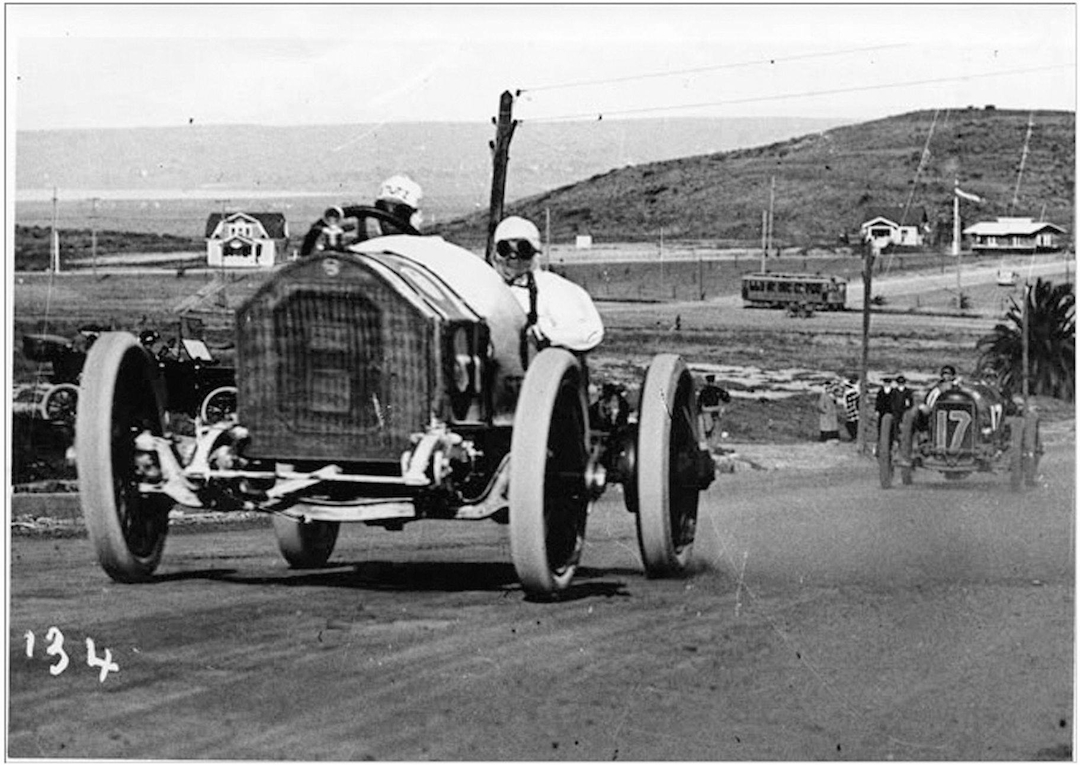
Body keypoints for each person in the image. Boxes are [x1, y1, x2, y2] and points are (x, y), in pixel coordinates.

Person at [492, 215, 604, 353]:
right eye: (505, 249)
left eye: (523, 249)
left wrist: (543, 333)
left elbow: (588, 332)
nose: (513, 256)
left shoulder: (554, 288)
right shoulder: (488, 287)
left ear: (535, 252)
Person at [698, 374, 731, 446]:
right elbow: (727, 399)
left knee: (708, 429)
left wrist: (699, 412)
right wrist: (726, 393)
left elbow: (699, 403)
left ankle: (709, 443)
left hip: (707, 410)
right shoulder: (717, 390)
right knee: (715, 428)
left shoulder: (704, 391)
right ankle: (712, 444)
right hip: (716, 410)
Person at [841, 376, 861, 441]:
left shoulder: (850, 394)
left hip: (853, 411)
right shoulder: (853, 393)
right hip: (852, 411)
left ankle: (855, 437)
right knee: (852, 424)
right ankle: (855, 437)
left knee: (851, 424)